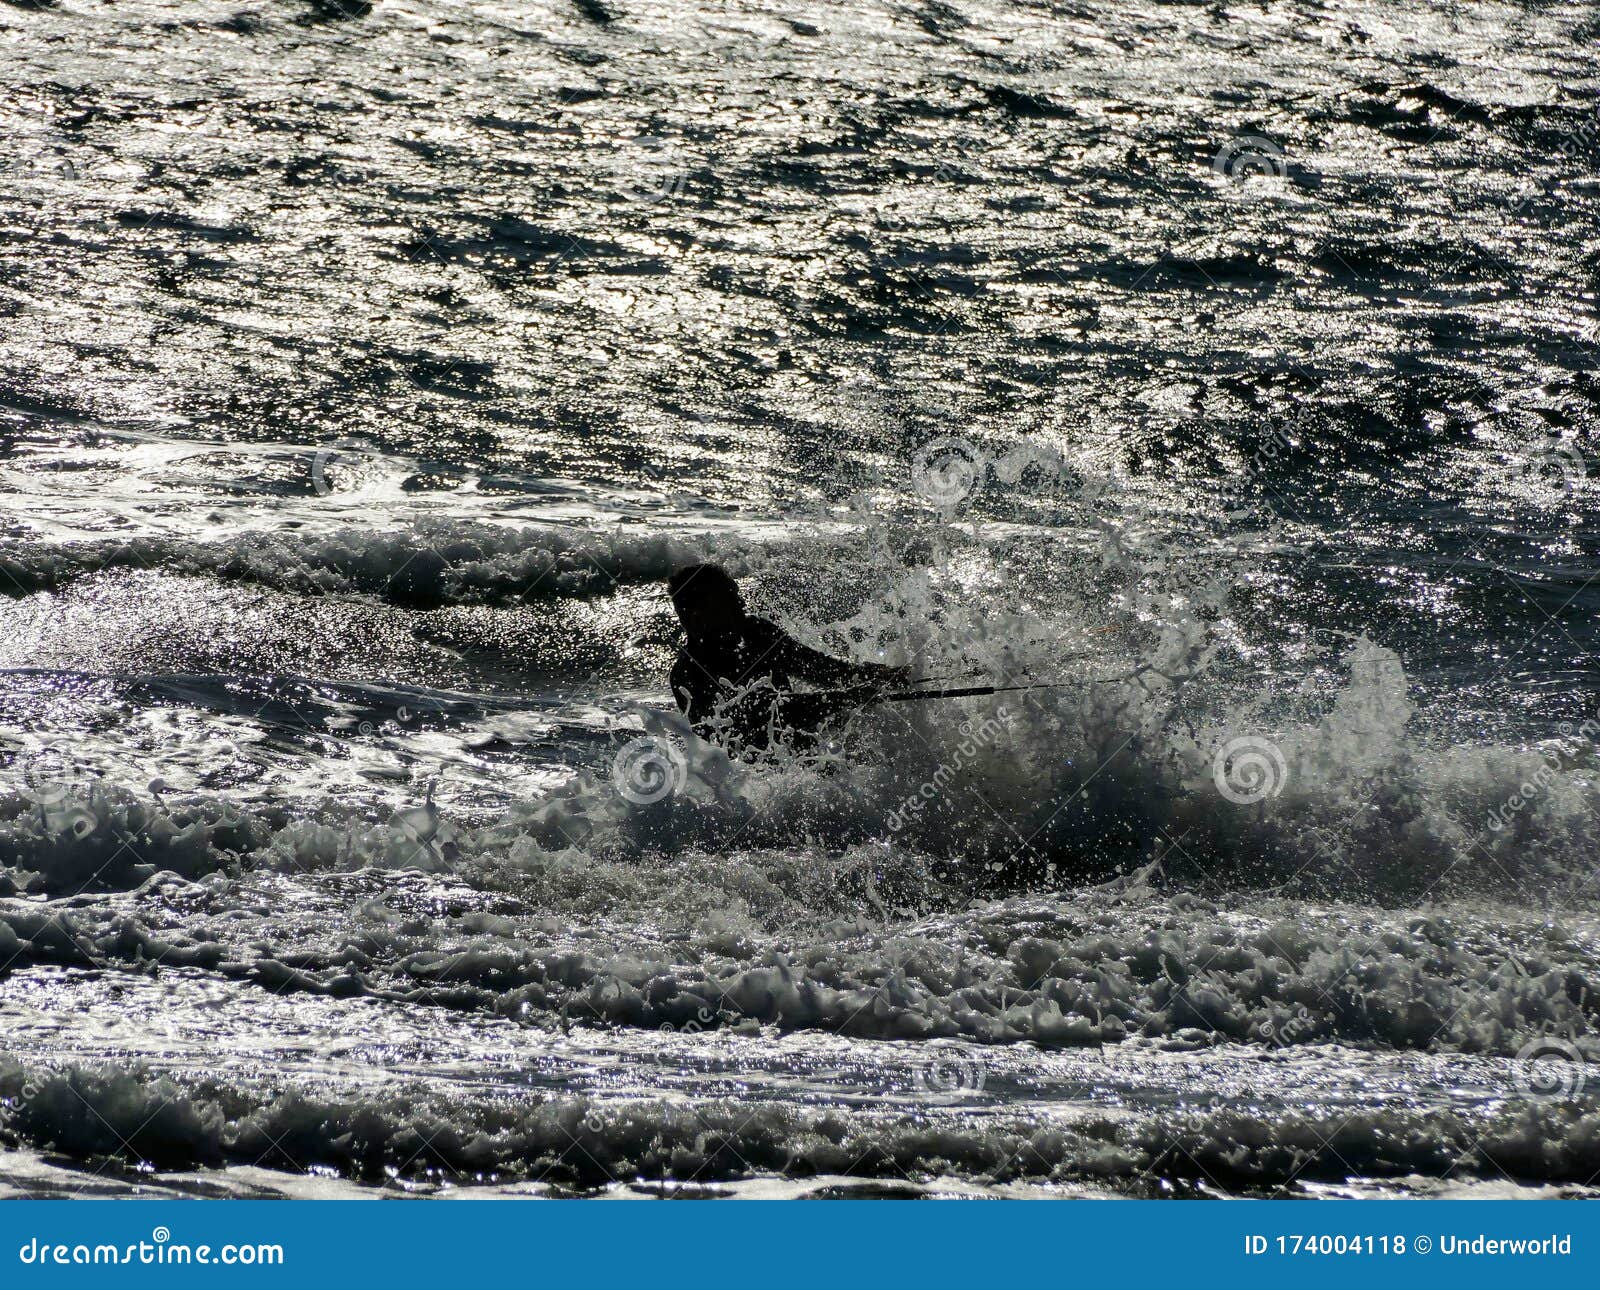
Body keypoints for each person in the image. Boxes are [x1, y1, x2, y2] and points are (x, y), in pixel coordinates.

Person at [666, 563, 912, 755]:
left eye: (737, 595)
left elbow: (818, 667)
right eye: (729, 599)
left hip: (807, 756)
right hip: (753, 784)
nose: (741, 603)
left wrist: (871, 675)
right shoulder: (688, 675)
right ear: (696, 615)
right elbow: (768, 713)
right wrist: (847, 697)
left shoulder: (756, 632)